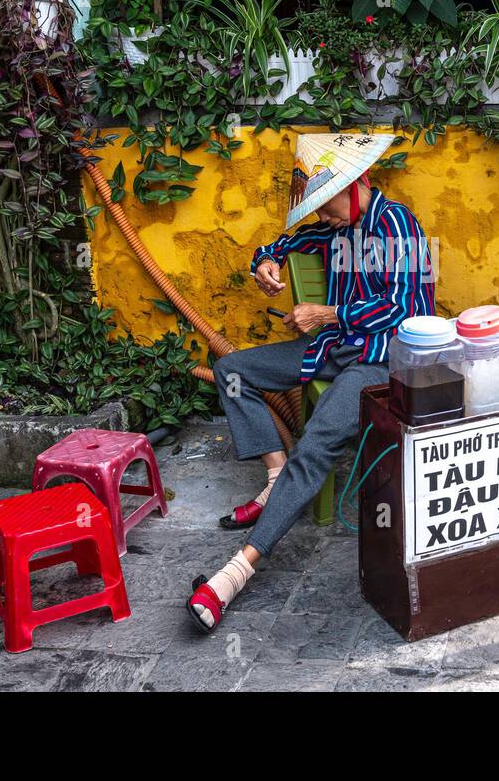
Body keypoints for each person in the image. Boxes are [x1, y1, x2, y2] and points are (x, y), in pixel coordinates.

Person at [186, 133, 435, 632]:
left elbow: (408, 306)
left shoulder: (398, 225)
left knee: (318, 439)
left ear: (356, 183)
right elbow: (283, 241)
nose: (321, 217)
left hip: (379, 359)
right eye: (316, 209)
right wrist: (266, 262)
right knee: (234, 371)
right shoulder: (334, 226)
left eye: (326, 205)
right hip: (333, 348)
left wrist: (328, 312)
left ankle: (235, 572)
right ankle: (277, 479)